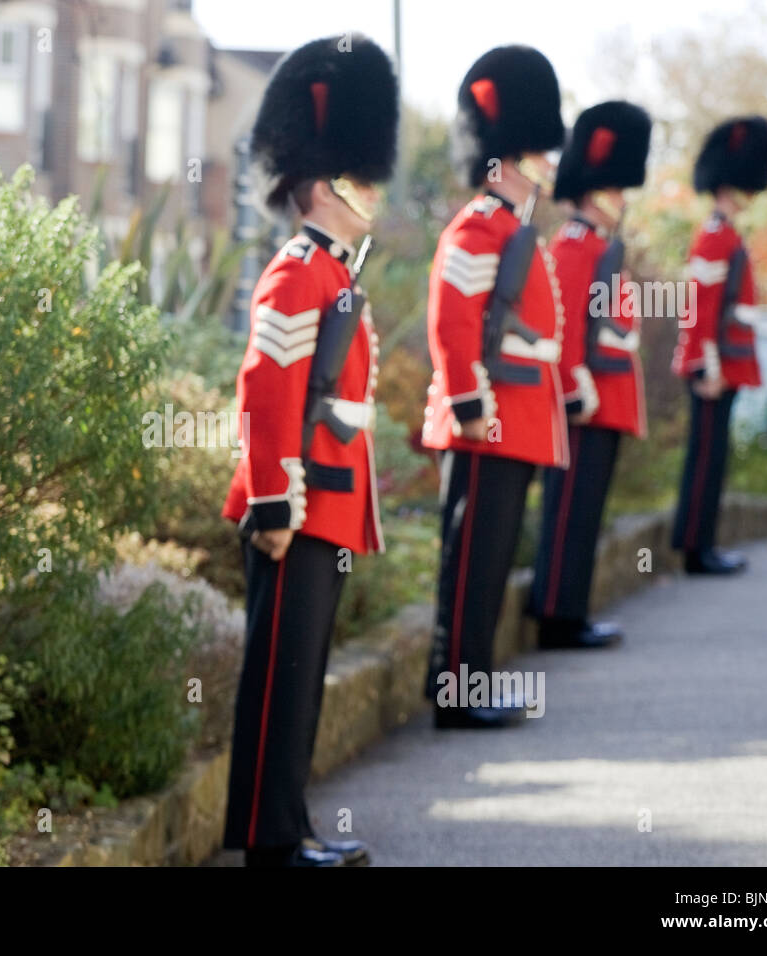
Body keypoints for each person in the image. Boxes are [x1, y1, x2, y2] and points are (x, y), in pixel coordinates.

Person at [221, 35, 397, 867]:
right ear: (328, 185)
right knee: (280, 680)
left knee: (301, 681)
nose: (377, 191)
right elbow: (266, 394)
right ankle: (269, 839)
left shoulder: (332, 273)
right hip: (296, 504)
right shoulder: (298, 274)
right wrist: (273, 502)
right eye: (364, 177)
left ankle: (287, 827)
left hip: (323, 498)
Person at [421, 46, 567, 728]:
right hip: (487, 420)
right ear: (509, 157)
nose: (549, 164)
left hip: (518, 419)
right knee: (471, 560)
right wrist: (471, 403)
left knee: (491, 562)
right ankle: (455, 691)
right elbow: (454, 324)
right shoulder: (479, 226)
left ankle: (472, 683)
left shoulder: (513, 228)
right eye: (538, 153)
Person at [528, 102, 652, 649]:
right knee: (570, 510)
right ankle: (557, 613)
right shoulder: (574, 247)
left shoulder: (597, 247)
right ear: (594, 191)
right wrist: (575, 387)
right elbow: (566, 325)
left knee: (587, 512)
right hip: (587, 399)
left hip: (606, 398)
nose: (621, 200)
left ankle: (571, 609)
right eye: (615, 190)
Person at [671, 116, 767, 574]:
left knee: (714, 460)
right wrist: (705, 364)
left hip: (726, 364)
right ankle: (696, 548)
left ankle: (703, 542)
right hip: (714, 367)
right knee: (704, 459)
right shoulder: (716, 234)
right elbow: (700, 306)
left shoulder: (728, 233)